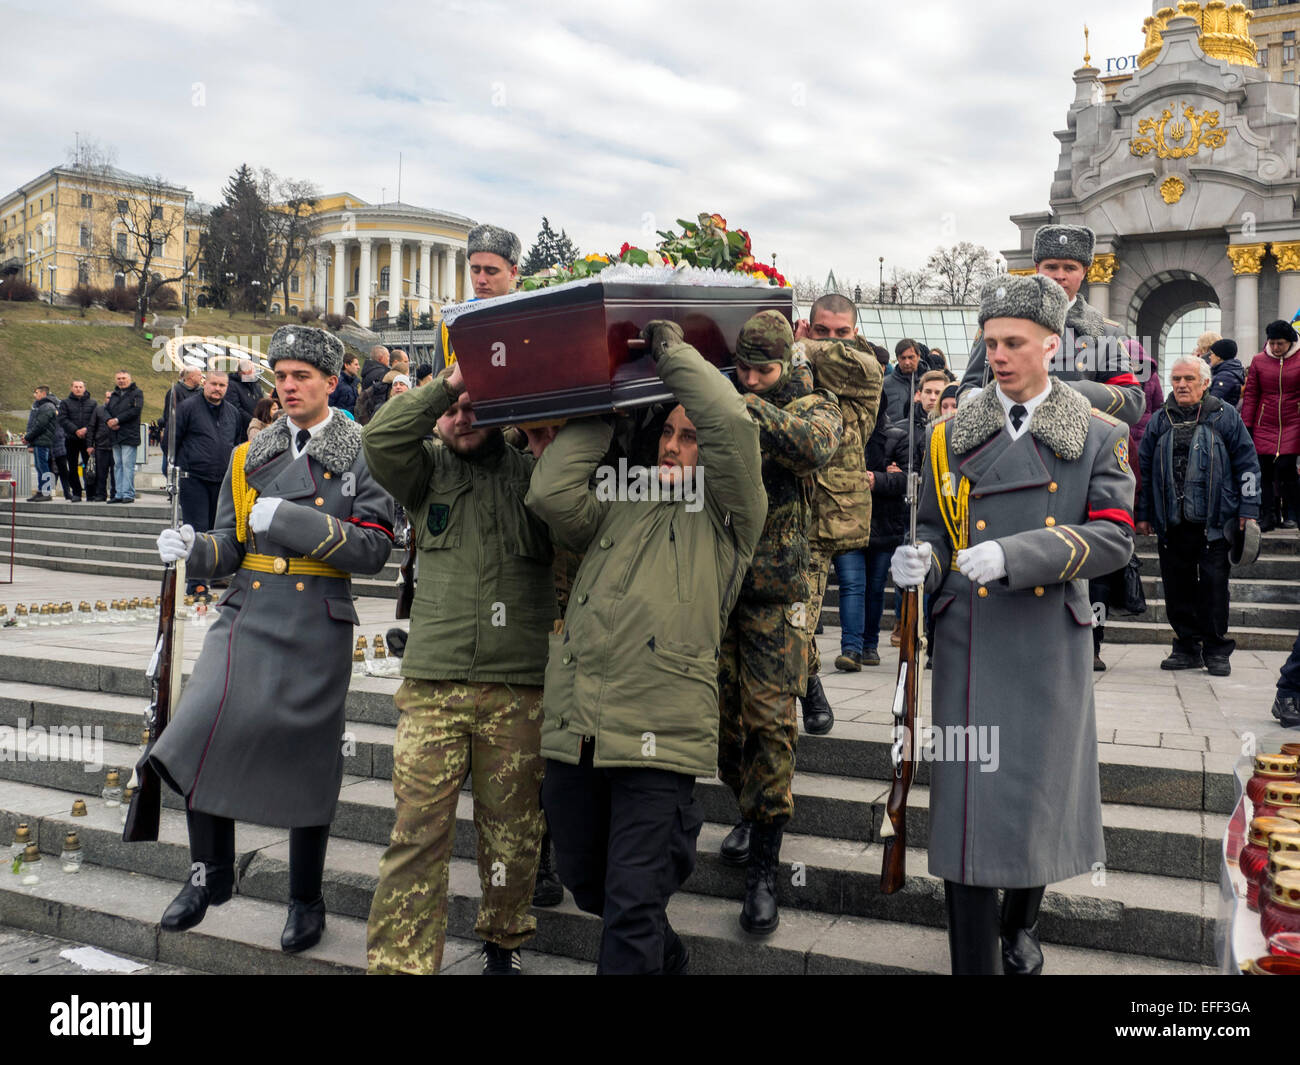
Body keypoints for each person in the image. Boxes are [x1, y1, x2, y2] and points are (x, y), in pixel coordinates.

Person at [891, 274, 1135, 975]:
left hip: (1048, 640)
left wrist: (1015, 554)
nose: (997, 355)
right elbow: (936, 528)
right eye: (990, 341)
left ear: (1051, 345)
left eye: (1014, 342)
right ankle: (975, 961)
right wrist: (921, 563)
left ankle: (1020, 921)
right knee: (968, 809)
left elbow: (1115, 537)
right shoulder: (948, 435)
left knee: (1034, 792)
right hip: (969, 637)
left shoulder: (1100, 433)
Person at [526, 318, 767, 973]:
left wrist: (667, 349)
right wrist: (604, 401)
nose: (672, 446)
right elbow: (549, 492)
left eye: (689, 438)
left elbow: (730, 422)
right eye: (666, 432)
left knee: (631, 903)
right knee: (588, 881)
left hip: (661, 726)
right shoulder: (623, 499)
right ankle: (668, 955)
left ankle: (647, 946)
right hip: (580, 724)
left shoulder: (731, 513)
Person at [149, 325, 395, 954]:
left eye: (301, 376)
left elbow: (374, 549)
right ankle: (209, 871)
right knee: (199, 723)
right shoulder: (249, 455)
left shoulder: (364, 452)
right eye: (280, 376)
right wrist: (193, 549)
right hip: (247, 612)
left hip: (317, 619)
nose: (287, 387)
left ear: (331, 382)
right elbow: (230, 546)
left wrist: (291, 518)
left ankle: (305, 899)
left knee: (307, 761)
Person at [362, 342, 553, 977]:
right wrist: (447, 385)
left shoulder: (532, 473)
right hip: (433, 685)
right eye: (453, 411)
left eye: (476, 408)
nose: (463, 419)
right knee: (417, 830)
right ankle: (401, 963)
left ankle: (504, 941)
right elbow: (379, 439)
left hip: (517, 686)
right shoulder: (424, 472)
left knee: (512, 831)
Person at [715, 310, 841, 935]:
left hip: (777, 595)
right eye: (743, 370)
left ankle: (765, 867)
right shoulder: (727, 391)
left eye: (762, 371)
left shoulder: (814, 404)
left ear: (786, 363)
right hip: (718, 590)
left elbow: (813, 447)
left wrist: (741, 405)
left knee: (769, 724)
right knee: (723, 725)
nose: (751, 380)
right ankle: (746, 807)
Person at [1136, 355, 1261, 677]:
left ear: (1205, 383)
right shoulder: (1159, 420)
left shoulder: (1225, 416)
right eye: (1176, 379)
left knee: (1214, 589)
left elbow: (1248, 464)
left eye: (1189, 379)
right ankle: (1187, 647)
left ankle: (1216, 650)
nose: (1181, 385)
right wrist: (1144, 514)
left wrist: (1248, 508)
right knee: (1177, 588)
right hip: (1171, 522)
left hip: (1215, 523)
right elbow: (1145, 471)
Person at [961, 224, 1144, 427]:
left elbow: (1133, 402)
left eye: (1070, 268)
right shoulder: (999, 321)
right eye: (1051, 267)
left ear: (1084, 271)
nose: (1060, 275)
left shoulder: (1106, 332)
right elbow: (967, 391)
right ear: (1037, 268)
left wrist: (1059, 391)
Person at [793, 295, 882, 701]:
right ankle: (809, 678)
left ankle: (805, 686)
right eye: (822, 331)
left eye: (841, 332)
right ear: (810, 326)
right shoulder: (801, 358)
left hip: (829, 514)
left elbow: (831, 359)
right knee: (791, 621)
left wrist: (799, 345)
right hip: (787, 509)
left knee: (800, 618)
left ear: (855, 333)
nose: (832, 340)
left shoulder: (865, 368)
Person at [1091, 338, 1164, 670]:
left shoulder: (1116, 435)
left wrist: (1123, 519)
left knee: (1099, 591)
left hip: (1102, 526)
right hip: (1073, 522)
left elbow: (1130, 480)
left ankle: (1093, 644)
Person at [173, 370, 242, 594]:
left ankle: (216, 574)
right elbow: (172, 441)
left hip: (221, 480)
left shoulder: (232, 413)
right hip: (194, 478)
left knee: (218, 529)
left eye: (222, 385)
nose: (217, 389)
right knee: (197, 529)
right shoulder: (187, 407)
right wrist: (178, 467)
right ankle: (196, 583)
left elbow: (236, 443)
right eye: (214, 384)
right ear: (205, 383)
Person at [429, 224, 521, 371]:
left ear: (512, 272)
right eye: (475, 270)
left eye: (491, 271)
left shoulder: (525, 320)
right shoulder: (450, 325)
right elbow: (439, 379)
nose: (481, 280)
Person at [862, 399, 911, 667]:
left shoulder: (896, 436)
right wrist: (887, 475)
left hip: (884, 524)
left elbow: (907, 478)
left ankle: (869, 644)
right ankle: (852, 646)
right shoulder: (848, 431)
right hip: (851, 521)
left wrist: (879, 479)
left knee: (875, 585)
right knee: (852, 585)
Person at [1242, 320, 1300, 531]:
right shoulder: (1259, 361)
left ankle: (1294, 514)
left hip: (1293, 422)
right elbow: (1251, 395)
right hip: (1264, 423)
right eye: (1272, 343)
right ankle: (1268, 515)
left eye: (1280, 343)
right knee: (1264, 472)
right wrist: (1247, 425)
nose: (1275, 348)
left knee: (1286, 469)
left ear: (1290, 342)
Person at [105, 370, 144, 503]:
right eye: (119, 378)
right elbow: (106, 410)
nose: (121, 381)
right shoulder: (114, 395)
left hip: (129, 435)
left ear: (129, 379)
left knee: (127, 465)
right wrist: (109, 421)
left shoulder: (137, 393)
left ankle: (128, 493)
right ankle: (119, 494)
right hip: (115, 435)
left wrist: (117, 420)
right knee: (118, 465)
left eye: (124, 378)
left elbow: (135, 410)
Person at [58, 380, 96, 501]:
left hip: (88, 440)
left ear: (84, 388)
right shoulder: (65, 403)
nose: (78, 389)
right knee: (72, 467)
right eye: (76, 387)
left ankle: (91, 493)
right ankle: (76, 493)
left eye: (80, 387)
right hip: (71, 439)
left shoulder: (93, 403)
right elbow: (62, 419)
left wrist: (86, 429)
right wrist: (75, 430)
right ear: (71, 388)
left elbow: (95, 419)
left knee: (89, 467)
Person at [23, 386, 58, 501]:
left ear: (43, 394)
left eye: (36, 392)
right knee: (39, 467)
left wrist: (28, 437)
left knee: (43, 467)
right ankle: (41, 491)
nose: (35, 395)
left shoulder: (47, 407)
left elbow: (40, 425)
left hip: (43, 441)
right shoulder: (44, 406)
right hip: (40, 440)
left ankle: (46, 492)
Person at [882, 340, 921, 425]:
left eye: (911, 357)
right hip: (892, 431)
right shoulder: (884, 384)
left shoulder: (929, 384)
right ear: (897, 358)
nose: (907, 362)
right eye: (903, 358)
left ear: (918, 356)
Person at [86, 390, 116, 502]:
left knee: (116, 473)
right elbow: (91, 427)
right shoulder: (99, 410)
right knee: (100, 473)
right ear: (105, 398)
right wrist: (89, 445)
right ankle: (101, 494)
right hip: (101, 446)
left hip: (115, 447)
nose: (109, 400)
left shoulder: (119, 411)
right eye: (108, 397)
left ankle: (115, 494)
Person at [1208, 339, 1244, 408]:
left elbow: (1213, 401)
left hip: (1221, 413)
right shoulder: (1227, 371)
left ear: (1218, 356)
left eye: (1211, 353)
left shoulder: (1225, 376)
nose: (1210, 357)